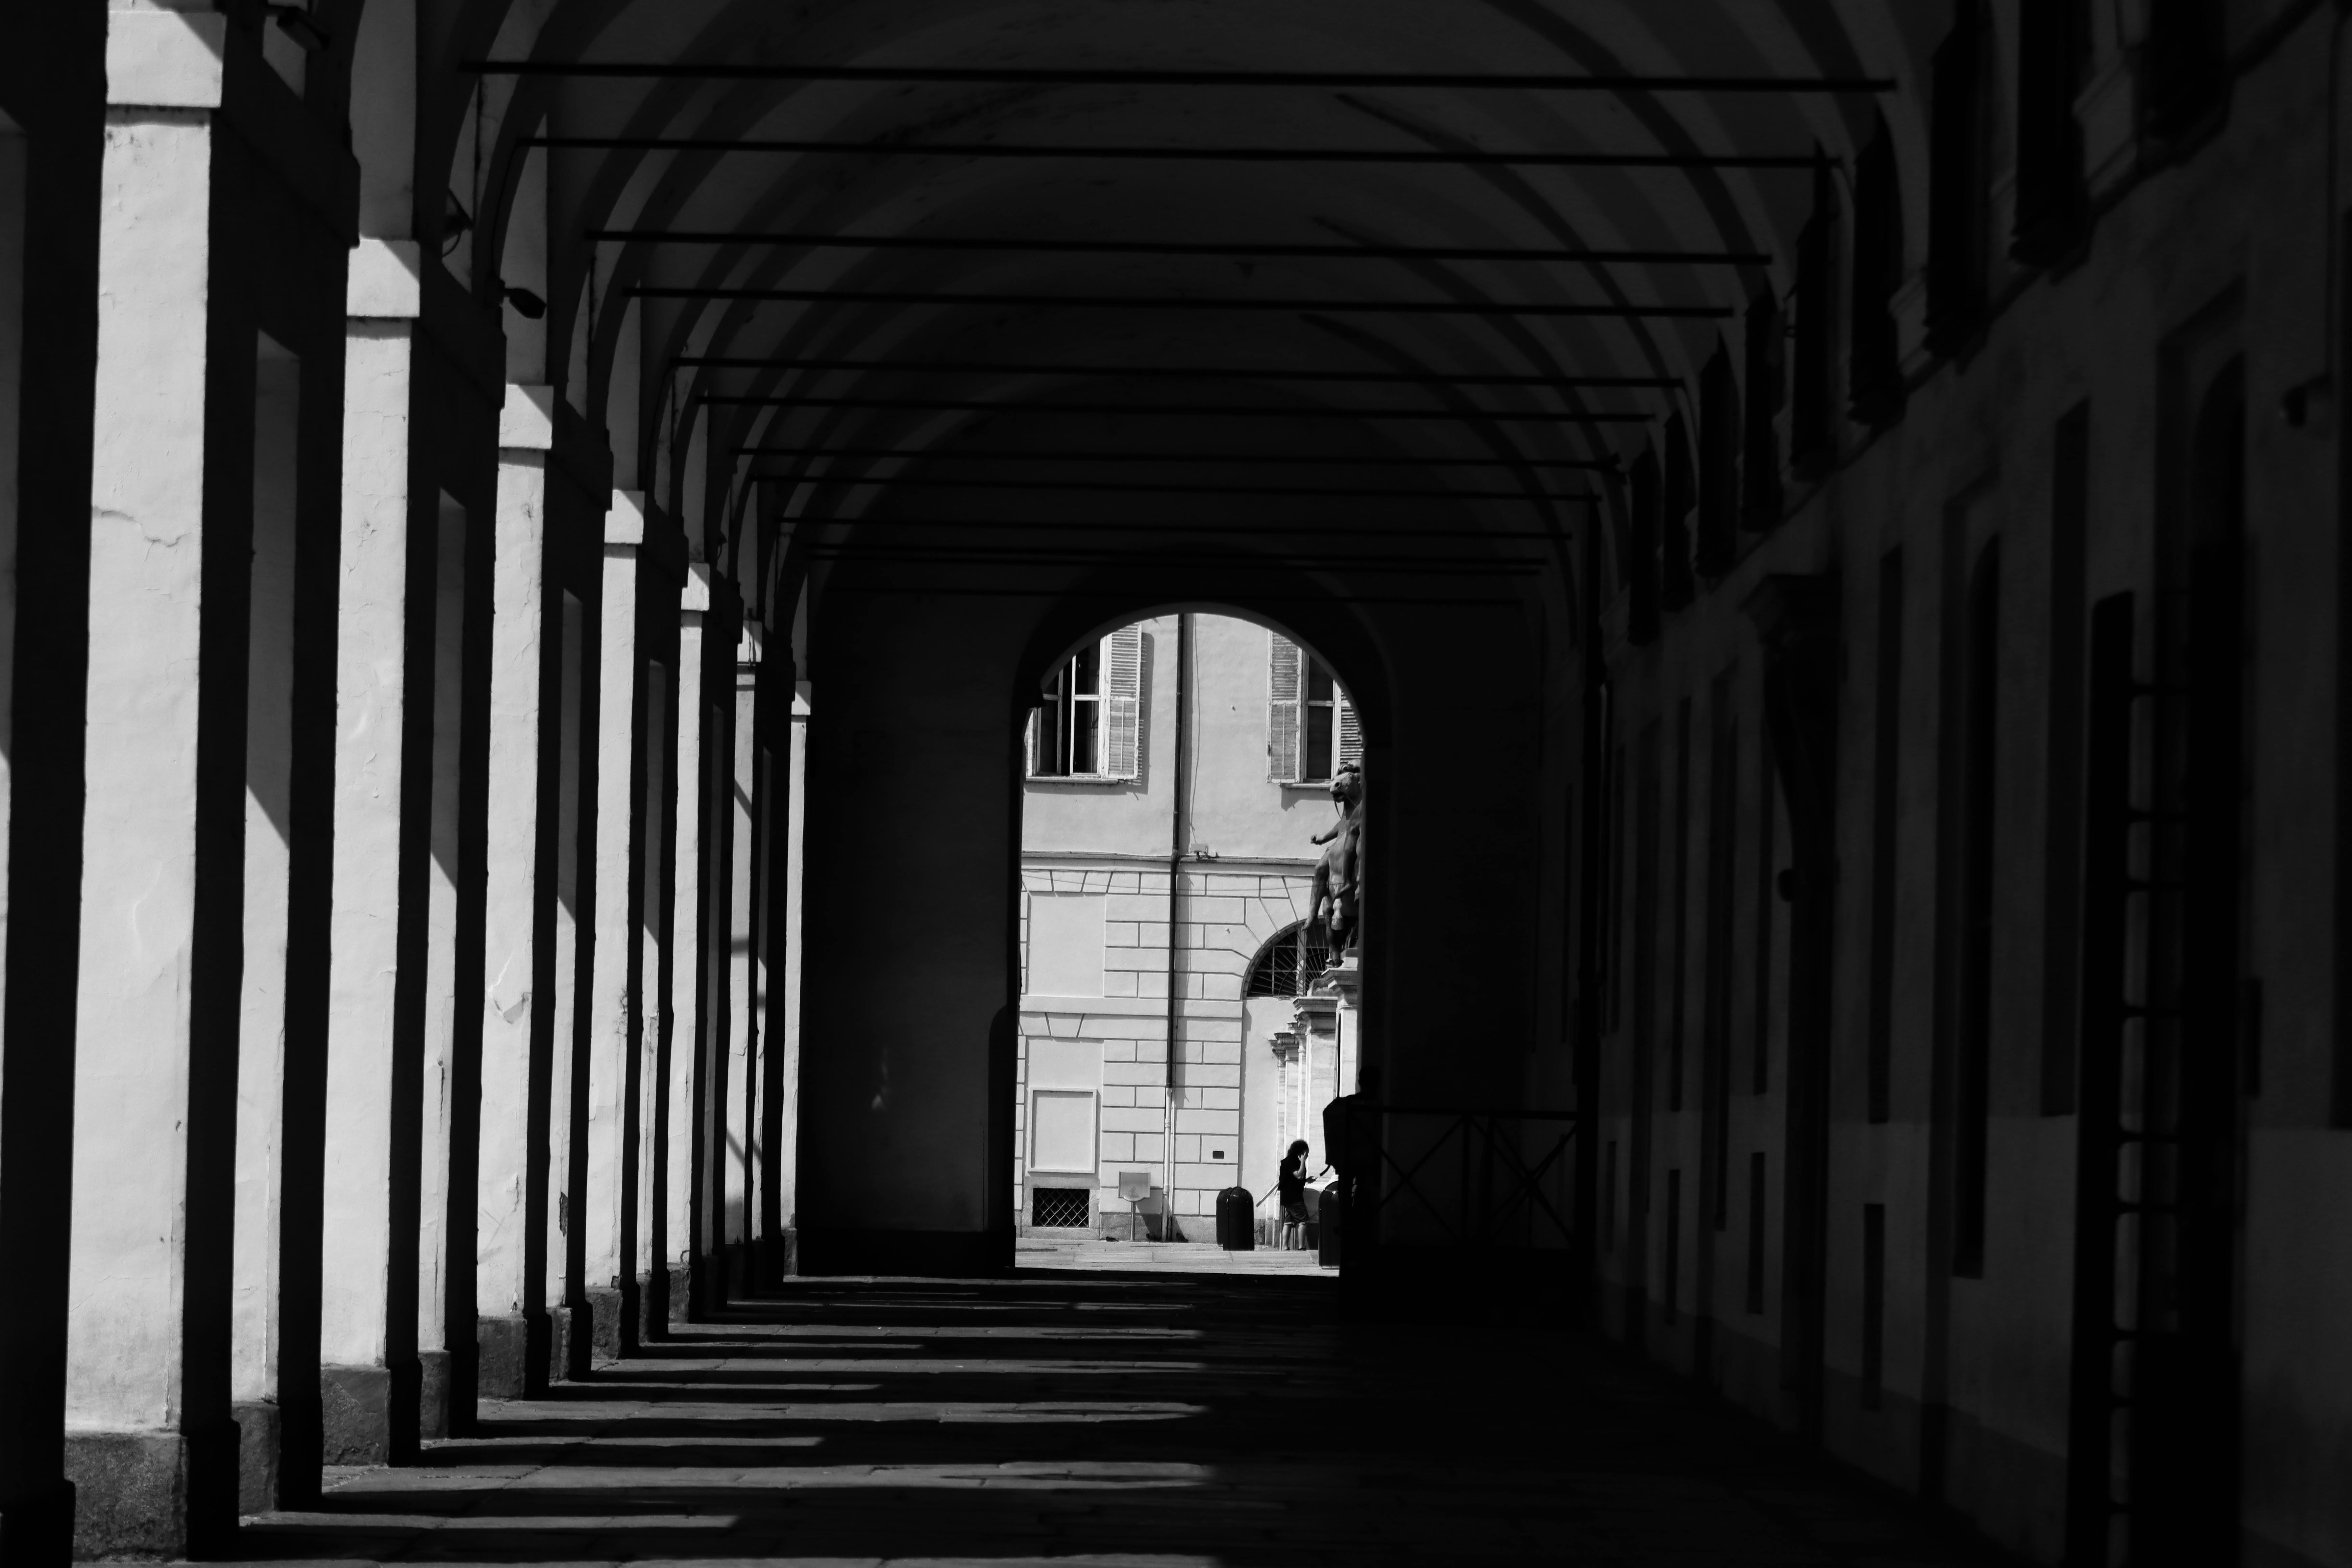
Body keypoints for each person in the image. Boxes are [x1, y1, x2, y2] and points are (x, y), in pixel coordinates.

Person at [1278, 1139, 1313, 1250]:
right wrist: (1303, 1162)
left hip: (1288, 1197)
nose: (1307, 1156)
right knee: (1304, 1220)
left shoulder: (1290, 1162)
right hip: (1293, 1197)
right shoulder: (1292, 1162)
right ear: (1301, 1153)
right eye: (1306, 1153)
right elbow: (1298, 1176)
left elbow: (1294, 1180)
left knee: (1288, 1222)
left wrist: (1307, 1180)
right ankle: (1301, 1246)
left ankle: (1284, 1247)